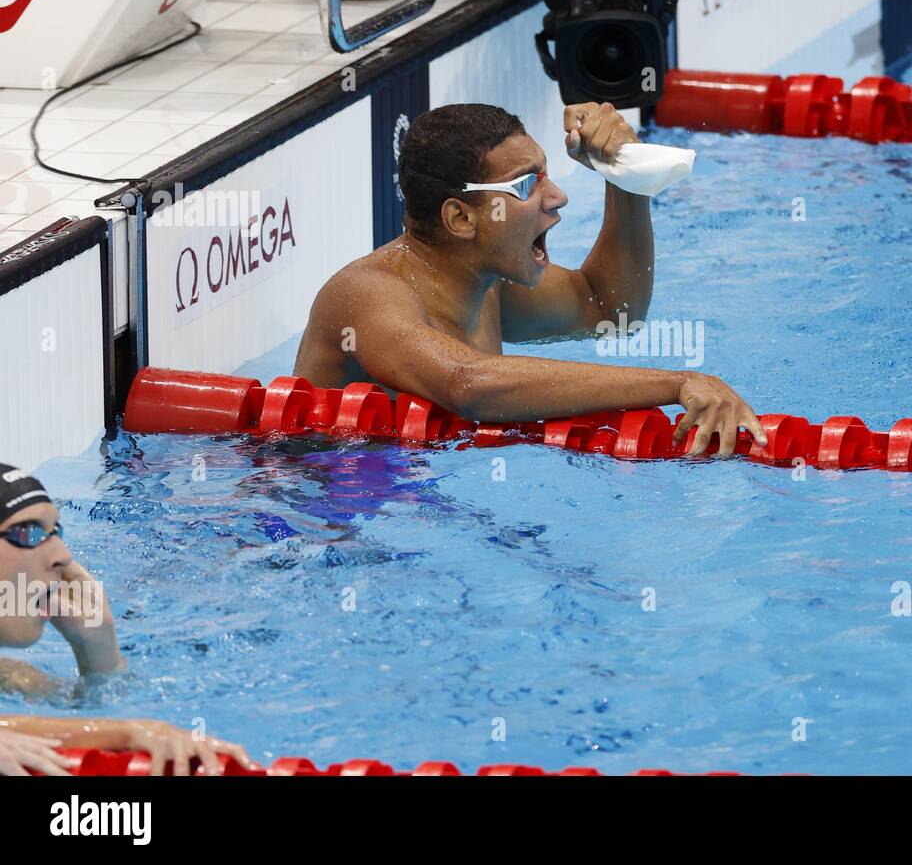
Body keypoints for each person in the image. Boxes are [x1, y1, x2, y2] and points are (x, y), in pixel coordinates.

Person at [293, 102, 769, 458]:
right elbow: (469, 383)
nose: (557, 196)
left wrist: (624, 177)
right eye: (526, 185)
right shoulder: (366, 294)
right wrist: (678, 383)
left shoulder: (485, 281)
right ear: (460, 217)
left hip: (405, 490)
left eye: (546, 174)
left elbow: (610, 310)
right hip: (320, 507)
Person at [0, 464, 255, 776]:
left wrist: (98, 649)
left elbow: (92, 708)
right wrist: (129, 734)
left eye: (55, 531)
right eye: (27, 532)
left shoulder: (12, 678)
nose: (62, 556)